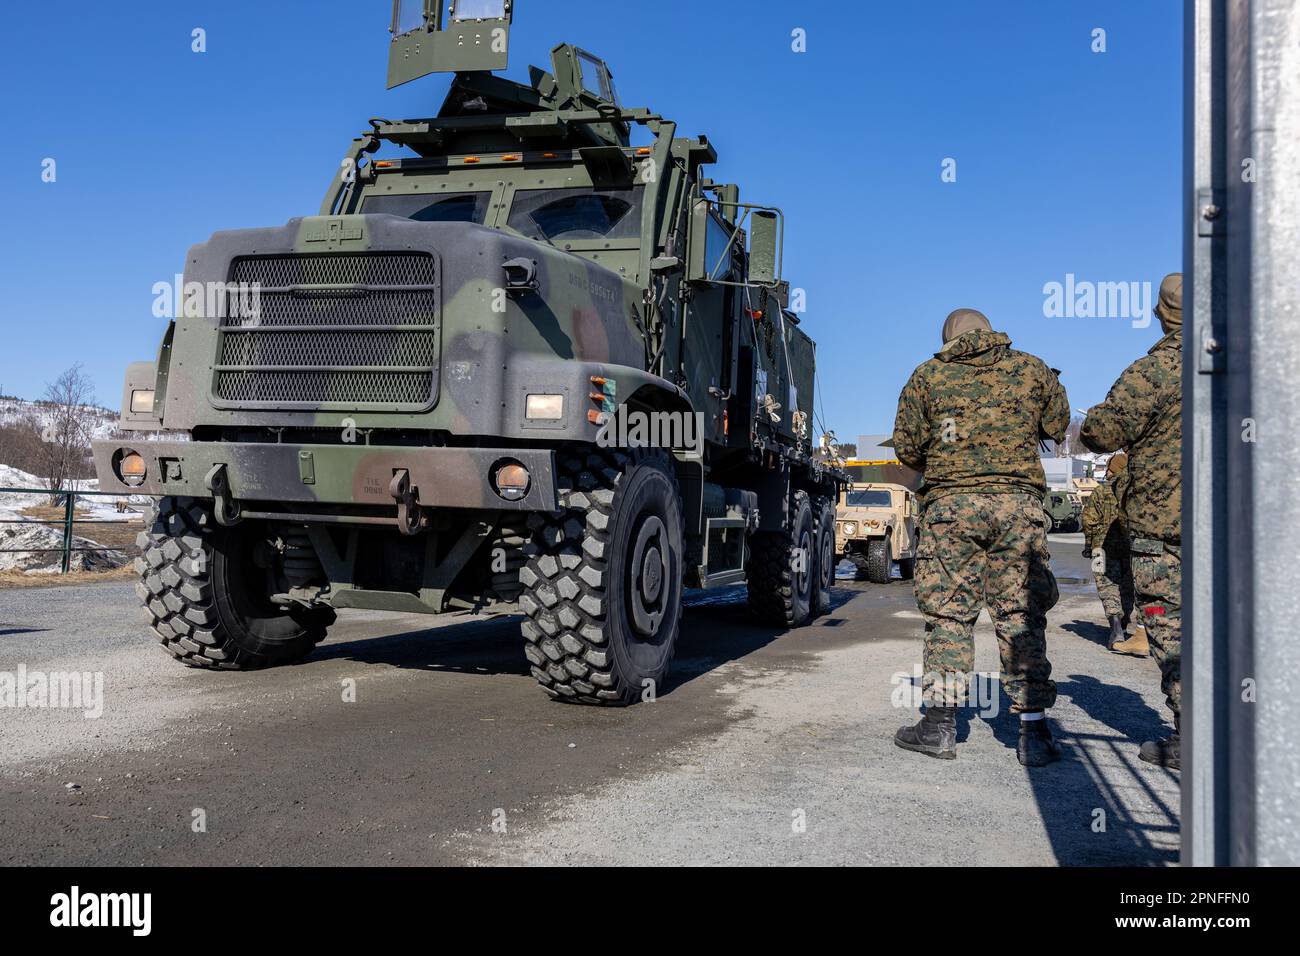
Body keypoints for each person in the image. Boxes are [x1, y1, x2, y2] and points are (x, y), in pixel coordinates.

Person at [892, 308, 1070, 766]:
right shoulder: (1031, 369)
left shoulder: (927, 376)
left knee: (949, 613)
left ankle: (939, 726)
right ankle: (1034, 734)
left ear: (947, 335)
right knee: (1020, 612)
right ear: (991, 332)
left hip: (952, 510)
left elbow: (909, 448)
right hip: (1017, 506)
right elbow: (1058, 423)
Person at [1081, 273, 1183, 769]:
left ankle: (1191, 735)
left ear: (1161, 312)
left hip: (1164, 531)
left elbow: (1101, 431)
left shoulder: (1155, 371)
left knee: (1168, 622)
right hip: (1244, 527)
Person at [1079, 453, 1144, 653]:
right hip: (1128, 547)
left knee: (1105, 586)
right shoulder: (1135, 490)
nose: (1106, 472)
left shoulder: (1100, 491)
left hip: (1100, 549)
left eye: (1108, 468)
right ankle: (1124, 623)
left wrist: (1089, 546)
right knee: (1126, 586)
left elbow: (1088, 520)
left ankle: (1115, 626)